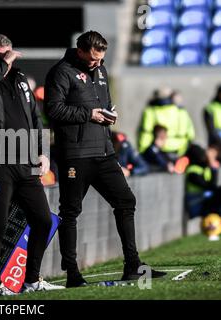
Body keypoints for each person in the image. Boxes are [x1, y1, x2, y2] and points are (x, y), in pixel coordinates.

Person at [44, 31, 166, 287]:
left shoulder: (101, 69)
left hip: (104, 151)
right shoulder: (61, 72)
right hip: (76, 155)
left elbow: (105, 103)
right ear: (80, 51)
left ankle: (133, 265)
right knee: (70, 212)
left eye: (100, 59)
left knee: (126, 201)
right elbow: (53, 109)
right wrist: (89, 114)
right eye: (92, 60)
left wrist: (109, 115)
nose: (97, 64)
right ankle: (73, 273)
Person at [0, 34, 64, 297]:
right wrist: (2, 64)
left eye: (8, 53)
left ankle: (31, 279)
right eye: (0, 54)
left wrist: (43, 153)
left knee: (42, 220)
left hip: (25, 164)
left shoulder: (19, 79)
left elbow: (34, 116)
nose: (7, 58)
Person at [137, 87, 195, 161]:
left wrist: (143, 153)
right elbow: (191, 134)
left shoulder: (149, 111)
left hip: (156, 152)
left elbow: (144, 135)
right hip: (180, 152)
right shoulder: (181, 112)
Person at [184, 144, 221, 219]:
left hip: (203, 199)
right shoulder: (192, 170)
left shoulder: (205, 168)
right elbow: (210, 187)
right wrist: (213, 167)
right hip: (195, 203)